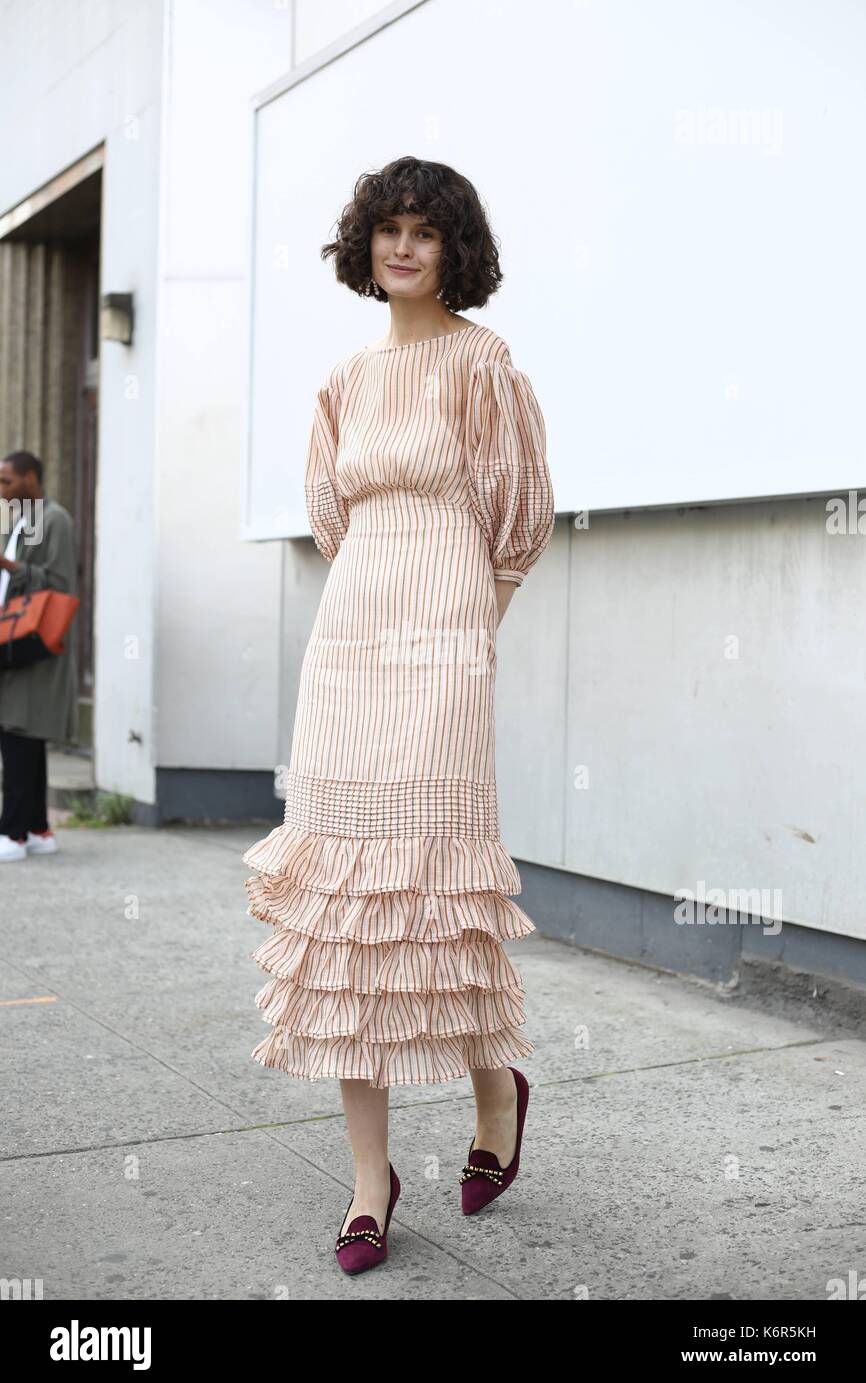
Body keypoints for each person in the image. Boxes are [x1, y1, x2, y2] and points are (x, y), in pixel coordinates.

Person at [241, 156, 554, 1273]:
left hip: (445, 635)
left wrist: (471, 633)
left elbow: (521, 519)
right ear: (364, 245)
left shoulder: (484, 364)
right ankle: (369, 1178)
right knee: (342, 900)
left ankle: (491, 1089)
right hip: (353, 635)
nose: (404, 247)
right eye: (387, 228)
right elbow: (335, 522)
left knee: (433, 882)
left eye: (425, 230)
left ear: (453, 247)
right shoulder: (342, 379)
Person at [0, 451, 78, 862]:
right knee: (22, 738)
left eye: (8, 481)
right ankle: (37, 829)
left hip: (35, 644)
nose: (3, 490)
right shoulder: (24, 522)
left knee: (17, 732)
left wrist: (8, 564)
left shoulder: (55, 519)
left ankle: (11, 833)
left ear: (32, 478)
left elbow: (61, 584)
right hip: (14, 641)